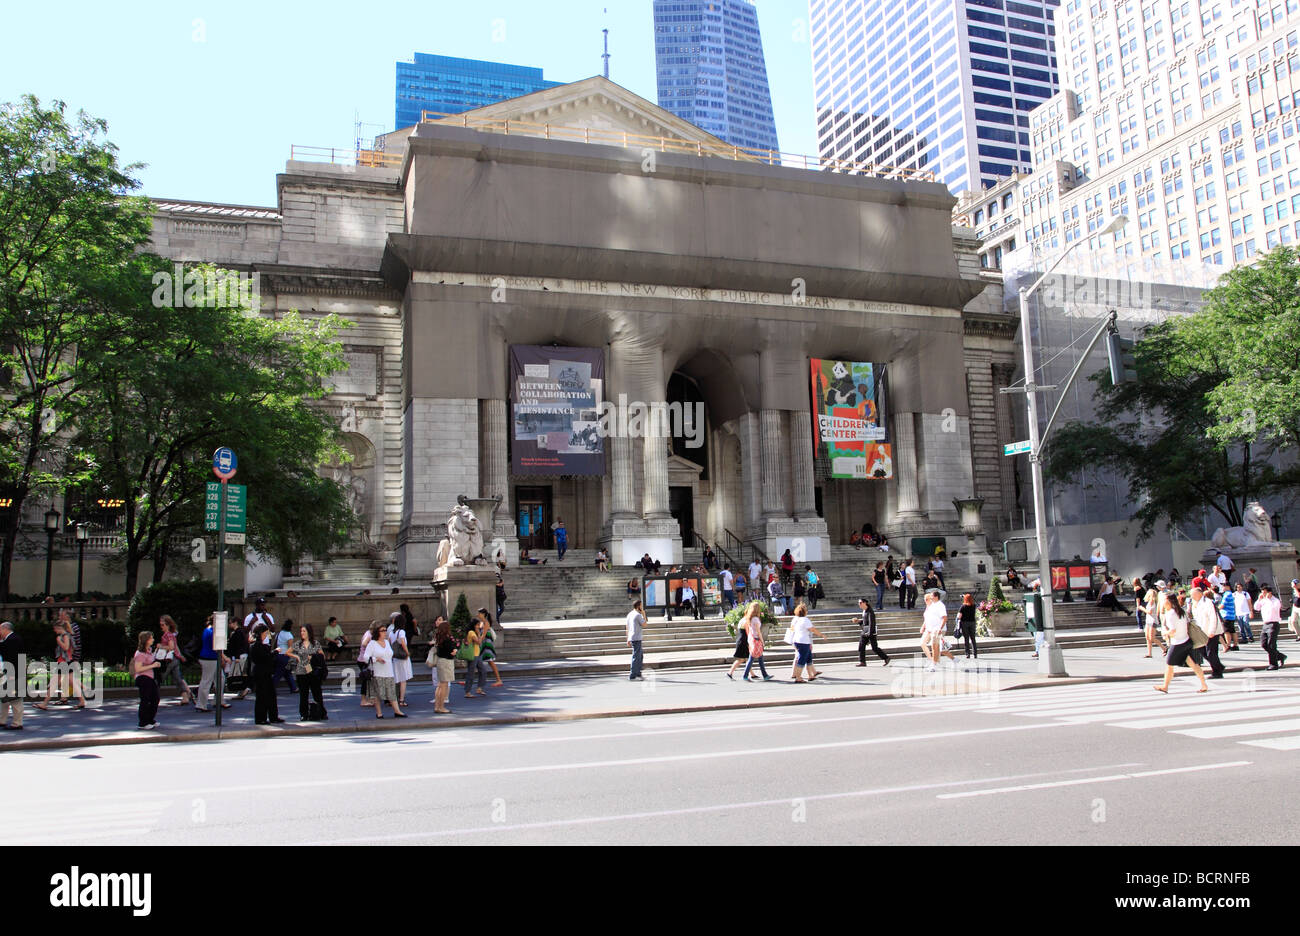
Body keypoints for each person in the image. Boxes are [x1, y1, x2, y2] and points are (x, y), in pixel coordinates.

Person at [1155, 592, 1209, 693]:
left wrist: (1164, 632)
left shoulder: (1170, 613)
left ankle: (1165, 686)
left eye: (1164, 600)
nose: (1162, 602)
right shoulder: (1181, 611)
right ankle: (1204, 684)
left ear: (1169, 601)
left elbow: (1172, 631)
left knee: (1169, 664)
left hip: (1177, 643)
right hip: (1186, 641)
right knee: (1193, 664)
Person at [35, 621, 85, 711]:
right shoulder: (67, 635)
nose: (54, 631)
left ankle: (44, 703)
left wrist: (58, 641)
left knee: (55, 683)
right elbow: (72, 649)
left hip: (64, 662)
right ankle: (82, 701)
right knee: (70, 682)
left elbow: (66, 647)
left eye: (55, 629)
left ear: (59, 628)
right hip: (66, 661)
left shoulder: (65, 636)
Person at [362, 622, 405, 718]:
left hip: (389, 672)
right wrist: (376, 659)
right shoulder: (372, 644)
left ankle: (397, 711)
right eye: (383, 631)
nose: (385, 632)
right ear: (377, 632)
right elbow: (366, 658)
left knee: (392, 693)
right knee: (377, 694)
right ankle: (379, 713)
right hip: (377, 673)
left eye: (385, 630)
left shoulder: (386, 642)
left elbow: (390, 654)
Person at [288, 623, 326, 720]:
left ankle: (321, 712)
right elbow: (288, 652)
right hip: (301, 671)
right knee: (303, 694)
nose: (302, 633)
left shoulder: (315, 643)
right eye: (301, 631)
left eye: (304, 631)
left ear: (309, 632)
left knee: (317, 692)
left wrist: (313, 658)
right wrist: (297, 657)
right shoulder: (298, 644)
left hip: (312, 670)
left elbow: (322, 656)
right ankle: (303, 714)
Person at [248, 624, 285, 725]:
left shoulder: (260, 645)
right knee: (262, 696)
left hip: (265, 672)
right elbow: (265, 657)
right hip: (261, 673)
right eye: (265, 633)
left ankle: (273, 716)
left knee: (271, 695)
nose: (266, 636)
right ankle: (261, 718)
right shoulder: (256, 645)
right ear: (260, 633)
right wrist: (275, 652)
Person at [155, 615, 193, 706]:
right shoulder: (171, 634)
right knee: (178, 679)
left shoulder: (168, 635)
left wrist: (161, 646)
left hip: (169, 660)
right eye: (160, 625)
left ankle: (153, 698)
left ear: (168, 625)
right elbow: (175, 647)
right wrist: (180, 656)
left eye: (163, 625)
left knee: (159, 678)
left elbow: (171, 647)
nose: (161, 627)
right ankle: (185, 697)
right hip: (174, 659)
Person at [1190, 586, 1225, 679]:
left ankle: (1217, 672)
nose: (1191, 596)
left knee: (1211, 652)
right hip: (1202, 632)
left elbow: (1213, 617)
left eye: (1192, 594)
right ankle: (1219, 666)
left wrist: (1212, 631)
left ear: (1199, 594)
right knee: (1202, 650)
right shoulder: (1195, 603)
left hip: (1210, 631)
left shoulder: (1208, 602)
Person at [131, 630, 161, 730]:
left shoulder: (149, 650)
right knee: (145, 699)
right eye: (151, 638)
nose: (153, 639)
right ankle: (143, 722)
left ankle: (150, 719)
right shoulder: (140, 653)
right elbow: (138, 669)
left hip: (150, 678)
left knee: (155, 698)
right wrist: (152, 665)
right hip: (143, 678)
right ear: (147, 640)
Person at [788, 603, 824, 682]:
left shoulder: (797, 619)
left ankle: (811, 674)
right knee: (801, 659)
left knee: (808, 658)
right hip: (803, 641)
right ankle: (798, 677)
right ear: (804, 612)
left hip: (797, 640)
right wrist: (821, 635)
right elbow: (812, 629)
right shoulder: (805, 620)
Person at [1255, 584, 1288, 670]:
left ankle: (1273, 664)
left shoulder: (1275, 601)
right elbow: (1256, 608)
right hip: (1265, 624)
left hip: (1273, 624)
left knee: (1271, 645)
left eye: (1265, 592)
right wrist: (1259, 599)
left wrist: (1269, 599)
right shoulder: (1263, 600)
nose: (1263, 594)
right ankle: (1280, 656)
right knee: (1264, 644)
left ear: (1269, 592)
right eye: (1262, 592)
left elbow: (1274, 609)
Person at [920, 589, 953, 671]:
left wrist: (940, 628)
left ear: (936, 597)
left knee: (935, 647)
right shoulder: (933, 605)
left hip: (937, 629)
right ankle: (935, 663)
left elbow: (944, 618)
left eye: (931, 596)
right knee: (935, 647)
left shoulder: (940, 605)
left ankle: (934, 664)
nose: (930, 598)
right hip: (932, 629)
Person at [0, 621, 25, 730]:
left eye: (0, 629)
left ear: (5, 629)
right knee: (4, 698)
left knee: (15, 700)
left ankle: (17, 723)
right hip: (12, 672)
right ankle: (2, 720)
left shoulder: (12, 640)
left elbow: (12, 658)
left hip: (13, 673)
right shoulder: (13, 639)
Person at [740, 602, 772, 681]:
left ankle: (765, 675)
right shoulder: (756, 619)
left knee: (759, 658)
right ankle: (745, 675)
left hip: (752, 638)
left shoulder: (749, 618)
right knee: (752, 658)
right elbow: (758, 631)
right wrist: (762, 641)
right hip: (756, 639)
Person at [854, 597, 889, 666]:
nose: (859, 604)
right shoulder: (864, 611)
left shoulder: (870, 611)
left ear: (865, 603)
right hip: (865, 631)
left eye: (860, 603)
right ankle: (862, 662)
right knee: (861, 646)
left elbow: (871, 623)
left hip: (870, 632)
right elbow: (865, 622)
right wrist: (858, 621)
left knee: (874, 648)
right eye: (858, 603)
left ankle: (886, 658)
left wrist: (869, 634)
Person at [388, 611, 413, 706]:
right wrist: (407, 652)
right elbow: (403, 642)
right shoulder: (401, 632)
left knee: (396, 679)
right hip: (402, 657)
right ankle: (401, 699)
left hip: (395, 658)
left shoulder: (391, 632)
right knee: (403, 680)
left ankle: (393, 699)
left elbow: (390, 643)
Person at [431, 617, 455, 713]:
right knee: (444, 685)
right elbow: (451, 652)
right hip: (446, 662)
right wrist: (455, 651)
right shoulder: (447, 639)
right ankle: (441, 707)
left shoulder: (438, 637)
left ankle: (437, 706)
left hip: (440, 661)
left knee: (439, 685)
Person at [461, 616, 488, 698]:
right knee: (471, 673)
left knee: (483, 670)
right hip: (473, 655)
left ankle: (479, 688)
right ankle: (467, 691)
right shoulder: (471, 633)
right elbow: (479, 642)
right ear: (474, 625)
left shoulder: (474, 632)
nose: (479, 626)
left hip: (477, 654)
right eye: (478, 625)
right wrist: (479, 633)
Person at [477, 609, 504, 687]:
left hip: (487, 645)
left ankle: (499, 680)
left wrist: (478, 642)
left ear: (483, 614)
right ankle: (498, 679)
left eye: (479, 613)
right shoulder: (482, 623)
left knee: (490, 662)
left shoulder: (486, 623)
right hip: (484, 644)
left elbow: (483, 635)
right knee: (487, 662)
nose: (478, 615)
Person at [1142, 583, 1167, 659]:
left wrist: (1141, 608)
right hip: (1149, 620)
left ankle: (1164, 648)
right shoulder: (1150, 602)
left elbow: (1149, 612)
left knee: (1151, 637)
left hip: (1152, 621)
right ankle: (1149, 653)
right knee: (1147, 637)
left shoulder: (1152, 602)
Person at [273, 620, 298, 694]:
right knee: (279, 673)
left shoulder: (279, 633)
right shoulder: (288, 635)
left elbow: (275, 644)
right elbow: (290, 647)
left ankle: (294, 687)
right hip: (285, 655)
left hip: (278, 654)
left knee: (287, 672)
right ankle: (271, 687)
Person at [626, 599, 645, 681]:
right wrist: (644, 614)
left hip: (632, 637)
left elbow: (627, 627)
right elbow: (644, 624)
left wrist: (628, 638)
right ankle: (633, 674)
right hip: (637, 637)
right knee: (636, 656)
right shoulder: (638, 615)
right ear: (638, 606)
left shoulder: (629, 614)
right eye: (641, 605)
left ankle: (637, 672)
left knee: (639, 655)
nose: (642, 607)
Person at [955, 593, 978, 659]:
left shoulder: (963, 607)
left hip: (964, 623)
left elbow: (959, 616)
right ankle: (975, 653)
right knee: (973, 638)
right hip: (972, 622)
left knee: (966, 638)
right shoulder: (974, 606)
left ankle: (967, 654)